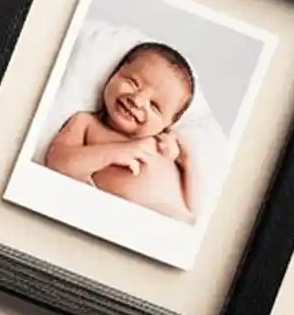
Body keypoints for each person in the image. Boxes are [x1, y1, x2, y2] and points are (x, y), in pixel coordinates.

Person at [44, 41, 197, 223]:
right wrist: (113, 153)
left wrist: (187, 162)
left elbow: (193, 205)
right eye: (133, 82)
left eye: (154, 106)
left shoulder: (164, 143)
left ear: (168, 124)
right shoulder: (86, 123)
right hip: (121, 220)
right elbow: (57, 162)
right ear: (114, 74)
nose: (137, 100)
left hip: (175, 221)